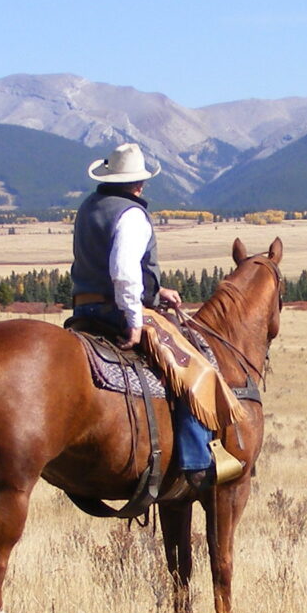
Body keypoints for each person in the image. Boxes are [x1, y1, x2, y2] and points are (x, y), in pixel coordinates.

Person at [70, 142, 243, 490]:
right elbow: (122, 270)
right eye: (141, 181)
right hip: (116, 310)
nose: (142, 186)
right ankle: (196, 462)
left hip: (84, 308)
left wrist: (156, 292)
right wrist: (134, 318)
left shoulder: (89, 206)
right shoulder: (131, 214)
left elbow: (106, 266)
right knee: (192, 364)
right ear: (137, 183)